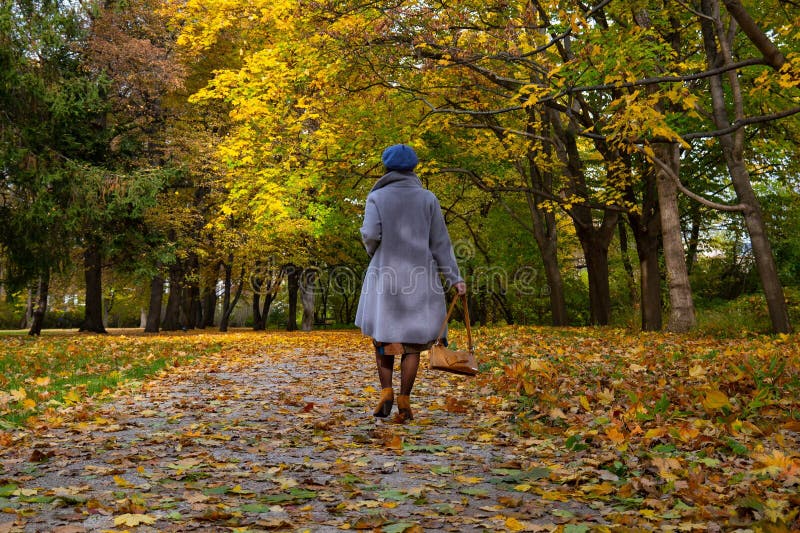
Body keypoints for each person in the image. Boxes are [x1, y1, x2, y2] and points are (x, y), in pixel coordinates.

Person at [355, 144, 466, 424]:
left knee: (384, 338)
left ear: (386, 167)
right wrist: (455, 278)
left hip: (386, 276)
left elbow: (371, 234)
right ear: (414, 168)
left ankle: (386, 392)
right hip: (420, 278)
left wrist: (376, 251)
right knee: (412, 344)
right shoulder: (428, 199)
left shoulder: (377, 197)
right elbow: (441, 243)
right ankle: (404, 399)